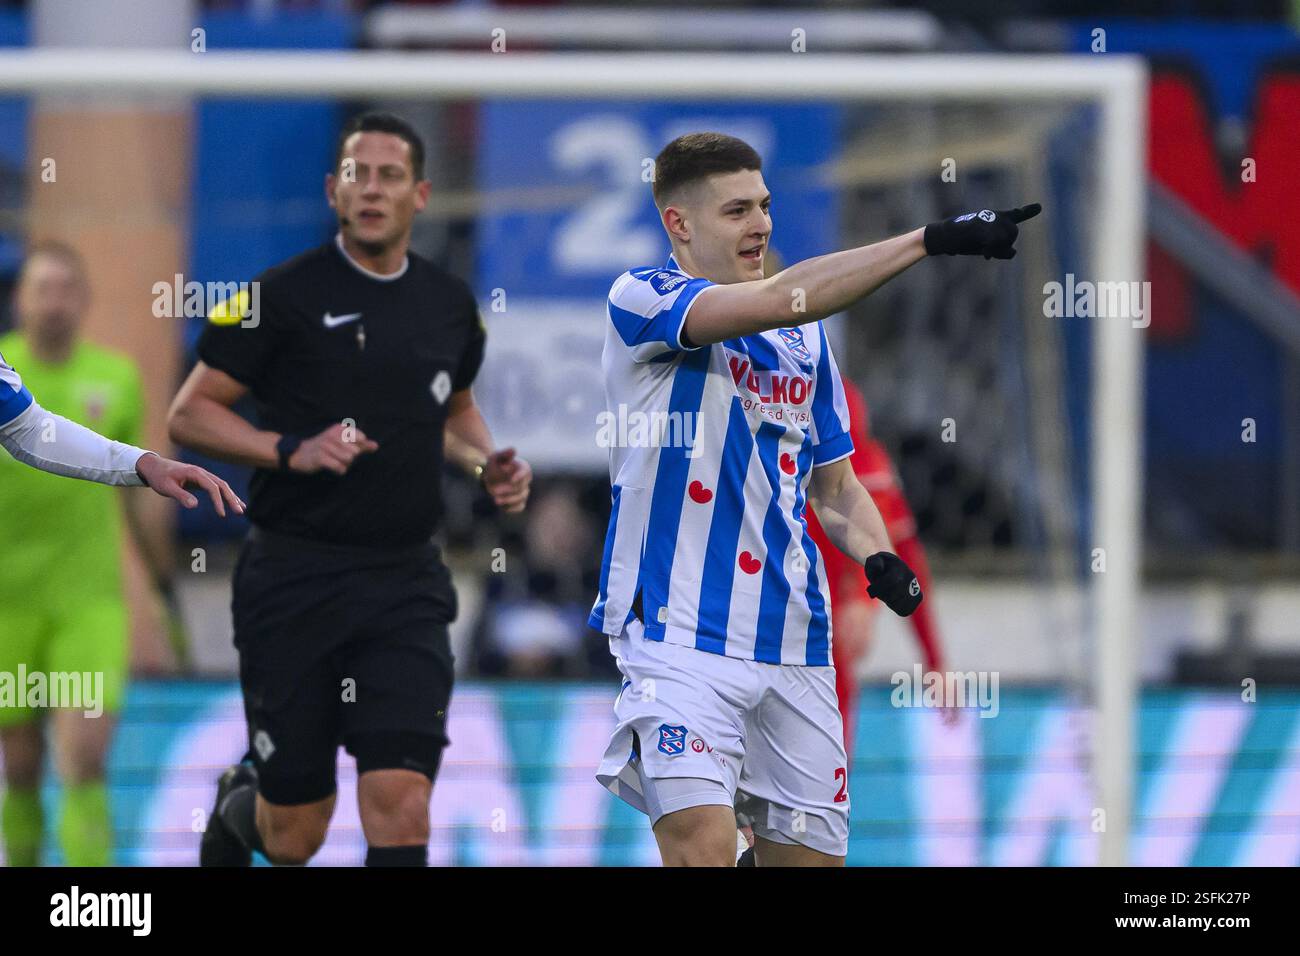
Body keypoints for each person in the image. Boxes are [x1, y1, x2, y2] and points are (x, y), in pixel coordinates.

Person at [591, 131, 1038, 866]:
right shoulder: (642, 301)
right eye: (736, 211)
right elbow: (775, 297)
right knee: (701, 845)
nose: (760, 224)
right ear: (679, 224)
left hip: (798, 645)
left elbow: (836, 486)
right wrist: (927, 240)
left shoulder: (807, 344)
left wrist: (876, 555)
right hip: (678, 641)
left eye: (763, 205)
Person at [171, 112, 531, 868]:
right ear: (334, 191)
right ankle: (243, 803)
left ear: (421, 194)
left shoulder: (449, 306)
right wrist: (288, 450)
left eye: (389, 175)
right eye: (357, 175)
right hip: (293, 580)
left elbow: (452, 408)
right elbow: (189, 414)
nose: (372, 189)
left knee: (401, 805)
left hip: (404, 583)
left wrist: (486, 461)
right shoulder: (278, 295)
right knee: (294, 835)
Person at [0, 242, 243, 867]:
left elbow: (32, 430)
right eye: (40, 288)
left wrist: (138, 464)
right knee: (19, 766)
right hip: (7, 604)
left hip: (86, 601)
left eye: (63, 289)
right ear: (19, 299)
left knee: (82, 759)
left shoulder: (110, 377)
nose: (52, 303)